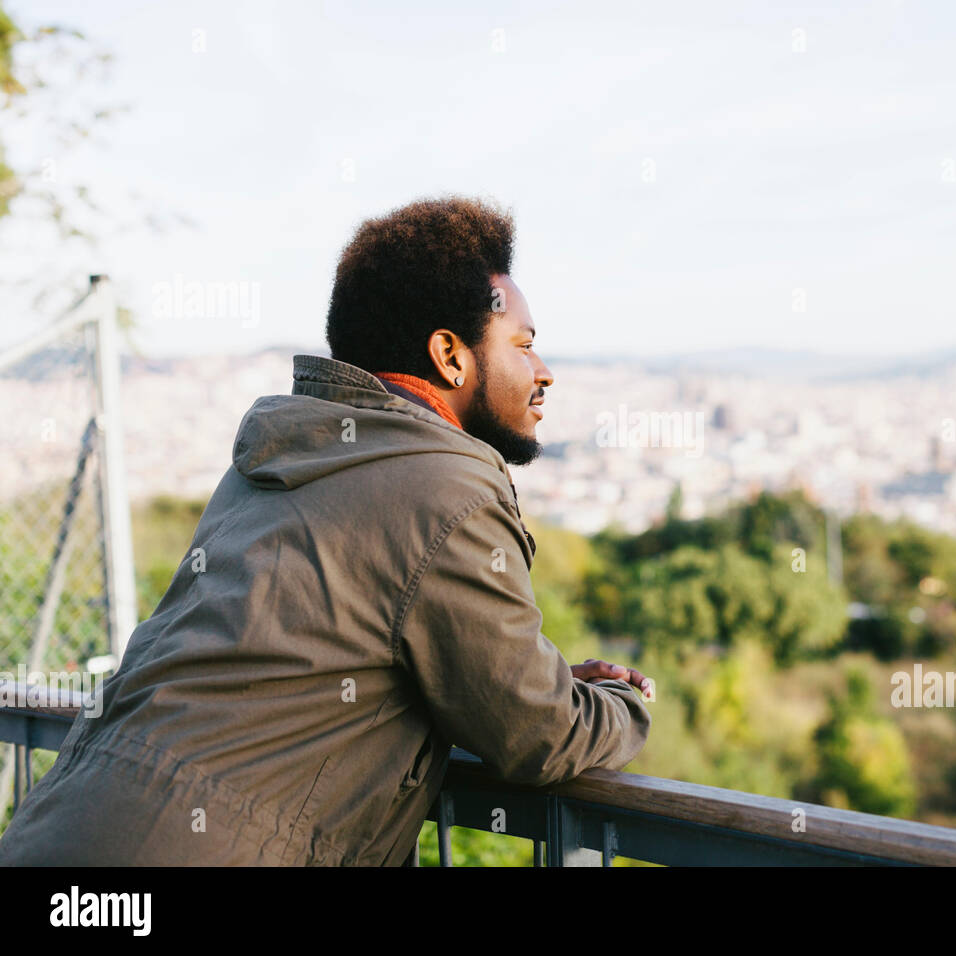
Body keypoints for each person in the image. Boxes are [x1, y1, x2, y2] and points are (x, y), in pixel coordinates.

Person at [0, 195, 653, 866]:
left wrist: (512, 677)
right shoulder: (448, 485)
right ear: (450, 357)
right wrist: (619, 703)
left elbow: (310, 661)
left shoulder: (285, 456)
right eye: (523, 344)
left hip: (56, 832)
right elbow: (540, 735)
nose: (542, 372)